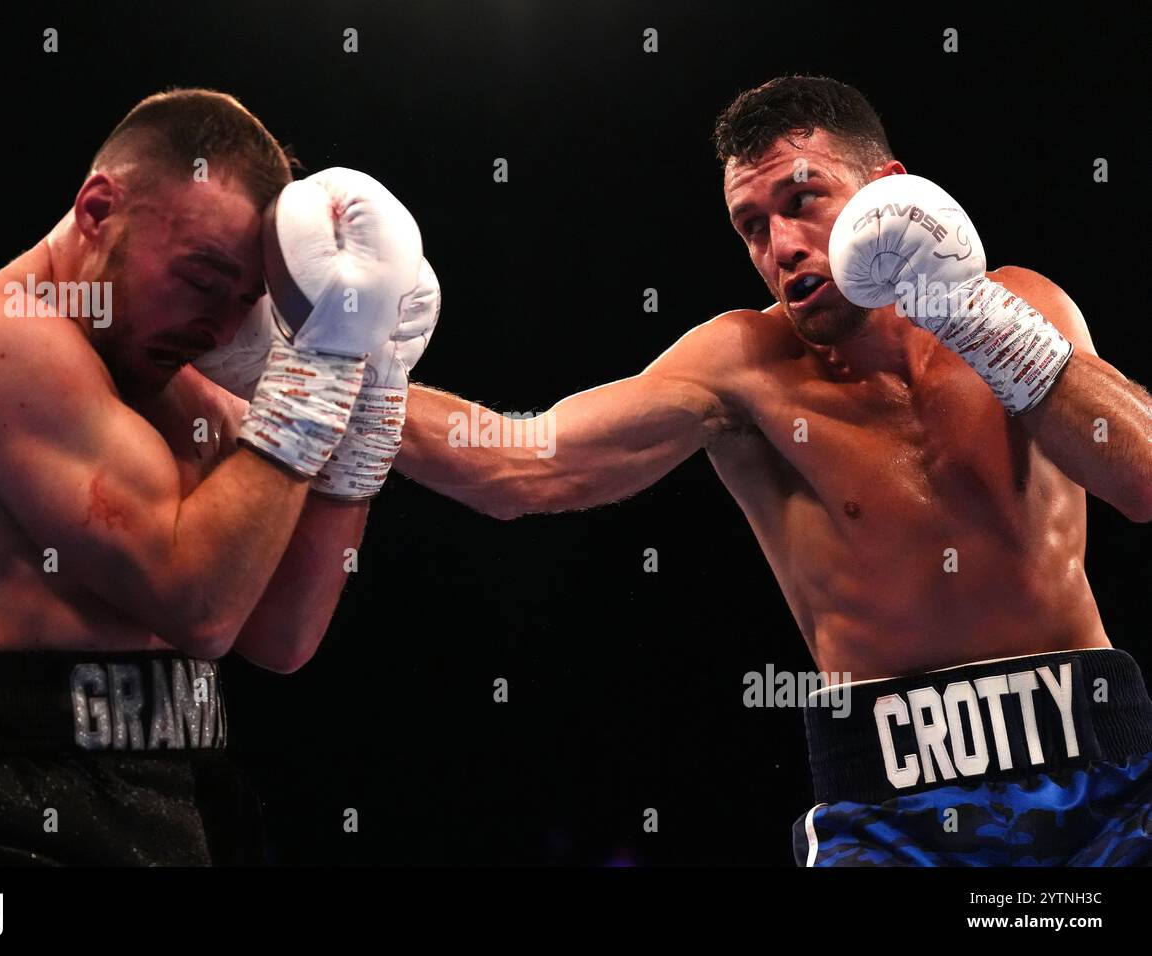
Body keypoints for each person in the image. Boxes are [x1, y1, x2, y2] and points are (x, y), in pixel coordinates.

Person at [394, 76, 1152, 865]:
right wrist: (341, 375)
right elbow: (523, 466)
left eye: (803, 200)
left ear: (889, 193)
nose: (780, 246)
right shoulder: (746, 367)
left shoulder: (1017, 301)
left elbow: (1143, 478)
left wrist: (987, 326)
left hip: (1106, 777)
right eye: (751, 227)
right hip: (894, 810)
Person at [0, 88, 437, 864]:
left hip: (181, 798)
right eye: (202, 277)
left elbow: (281, 633)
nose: (221, 328)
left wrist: (371, 397)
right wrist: (318, 370)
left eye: (245, 303)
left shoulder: (178, 395)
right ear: (99, 208)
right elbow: (197, 604)